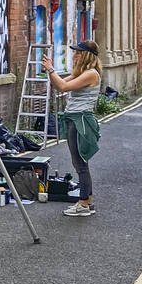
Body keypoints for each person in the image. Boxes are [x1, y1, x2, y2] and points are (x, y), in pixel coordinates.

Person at [42, 40, 102, 217]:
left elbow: (63, 86)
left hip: (80, 121)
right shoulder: (82, 73)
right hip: (74, 119)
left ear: (86, 55)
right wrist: (50, 70)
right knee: (80, 163)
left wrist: (51, 69)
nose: (75, 55)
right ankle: (87, 201)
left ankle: (83, 204)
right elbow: (59, 84)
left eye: (78, 52)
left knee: (80, 164)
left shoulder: (91, 74)